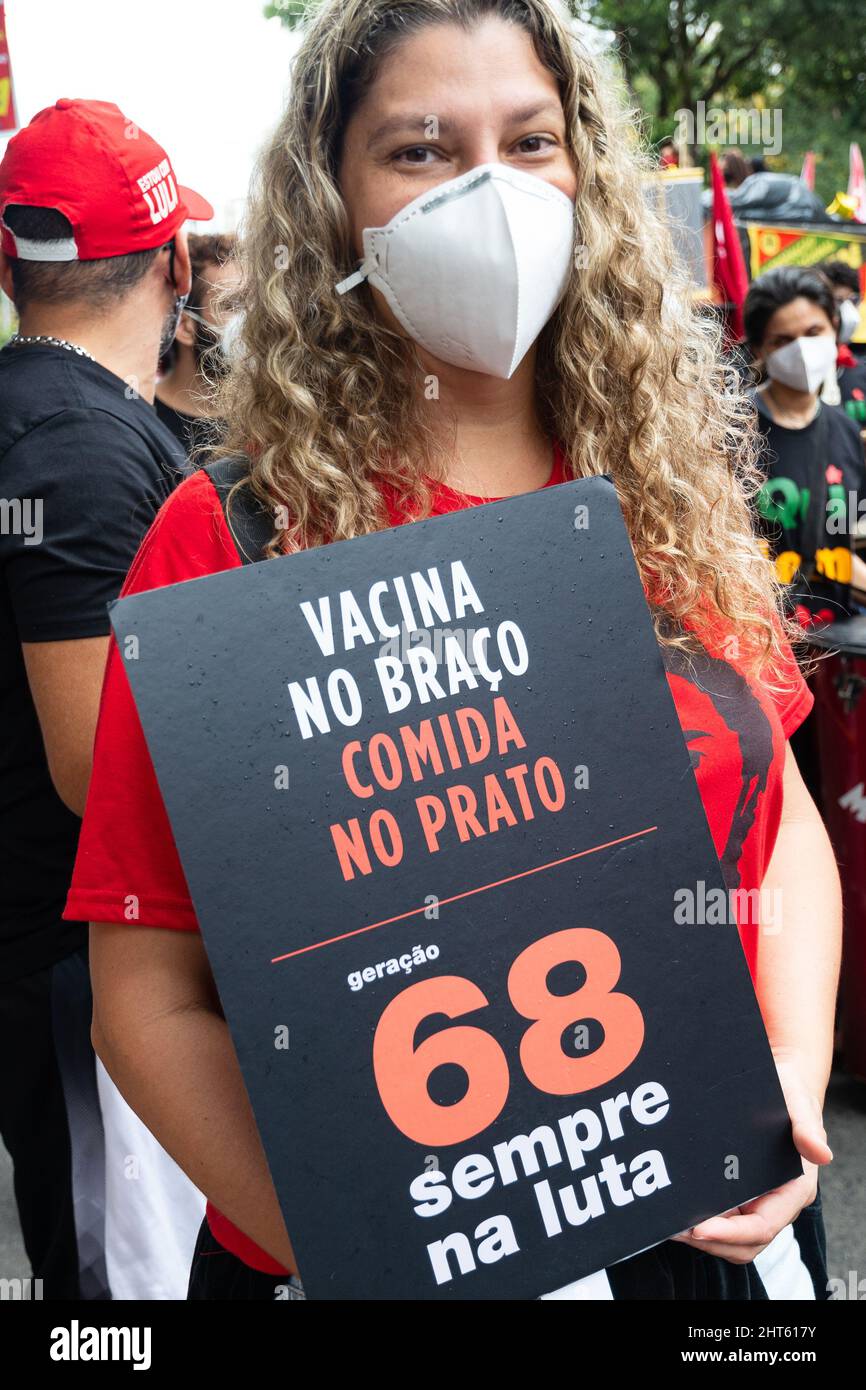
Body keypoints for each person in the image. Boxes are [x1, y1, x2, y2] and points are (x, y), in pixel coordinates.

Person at [67, 0, 840, 1301]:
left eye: (529, 141)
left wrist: (790, 1082)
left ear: (584, 175)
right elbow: (146, 998)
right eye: (420, 149)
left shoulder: (661, 490)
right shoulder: (238, 534)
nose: (489, 190)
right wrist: (374, 1251)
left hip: (711, 1230)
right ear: (334, 199)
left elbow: (783, 830)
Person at [0, 97, 211, 1299]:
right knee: (117, 1290)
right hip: (81, 966)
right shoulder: (77, 445)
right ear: (176, 258)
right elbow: (96, 767)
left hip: (72, 952)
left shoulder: (67, 422)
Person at [743, 266, 866, 629]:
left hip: (833, 644)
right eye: (783, 340)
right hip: (764, 649)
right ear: (759, 348)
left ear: (834, 328)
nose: (802, 349)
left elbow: (840, 552)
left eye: (814, 332)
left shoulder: (844, 431)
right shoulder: (731, 432)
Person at [155, 232, 240, 462]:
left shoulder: (270, 420)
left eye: (255, 302)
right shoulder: (143, 424)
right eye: (232, 305)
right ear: (184, 326)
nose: (249, 319)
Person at [820, 261, 866, 417]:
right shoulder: (806, 370)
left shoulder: (859, 370)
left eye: (853, 300)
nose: (847, 309)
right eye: (838, 300)